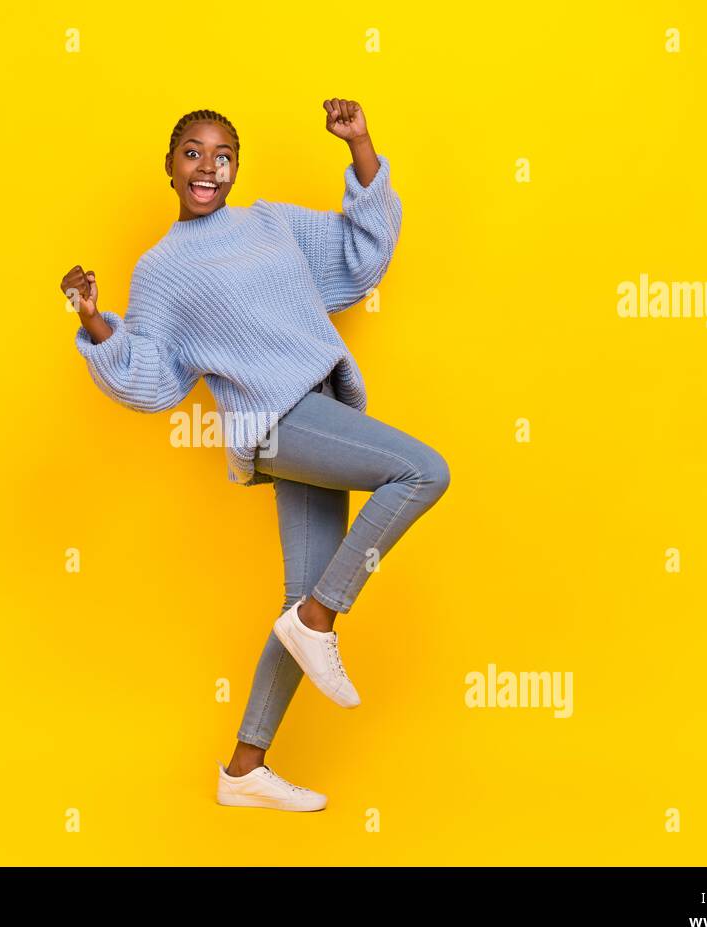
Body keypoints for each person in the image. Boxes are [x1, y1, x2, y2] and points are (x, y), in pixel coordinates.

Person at [61, 100, 450, 812]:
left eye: (223, 155)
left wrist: (361, 145)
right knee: (422, 470)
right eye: (193, 153)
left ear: (236, 168)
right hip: (277, 423)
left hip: (319, 412)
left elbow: (360, 255)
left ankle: (244, 768)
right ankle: (321, 620)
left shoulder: (270, 222)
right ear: (170, 167)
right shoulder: (160, 271)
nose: (208, 168)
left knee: (294, 603)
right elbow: (151, 379)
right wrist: (94, 321)